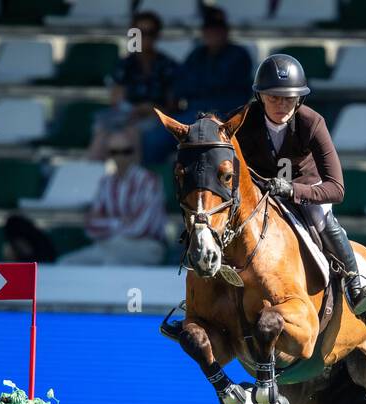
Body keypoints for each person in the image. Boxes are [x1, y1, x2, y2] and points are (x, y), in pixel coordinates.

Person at [236, 53, 366, 321]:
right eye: (273, 97)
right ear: (260, 97)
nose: (281, 105)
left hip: (305, 193)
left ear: (299, 98)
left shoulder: (312, 123)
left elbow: (337, 188)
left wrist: (293, 191)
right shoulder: (244, 122)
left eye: (288, 98)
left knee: (322, 217)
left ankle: (355, 282)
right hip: (258, 193)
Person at [143, 7, 252, 163]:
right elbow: (180, 87)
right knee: (153, 139)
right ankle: (156, 184)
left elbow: (229, 89)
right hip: (193, 115)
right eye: (209, 29)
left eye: (217, 29)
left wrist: (197, 88)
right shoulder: (197, 55)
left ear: (226, 32)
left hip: (224, 118)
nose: (213, 34)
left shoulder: (239, 54)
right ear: (204, 32)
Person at [61, 128, 167, 265]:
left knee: (110, 264)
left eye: (126, 151)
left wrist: (107, 224)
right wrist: (121, 222)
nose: (121, 157)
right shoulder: (106, 183)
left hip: (146, 246)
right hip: (109, 244)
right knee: (67, 263)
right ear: (109, 154)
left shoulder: (149, 181)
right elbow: (91, 226)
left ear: (135, 152)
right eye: (114, 152)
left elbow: (142, 228)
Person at [88, 10, 178, 164]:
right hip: (125, 116)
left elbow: (173, 108)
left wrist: (149, 108)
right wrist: (130, 110)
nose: (145, 37)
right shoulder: (125, 65)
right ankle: (91, 181)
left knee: (131, 134)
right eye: (140, 32)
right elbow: (116, 100)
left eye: (150, 32)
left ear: (157, 35)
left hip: (154, 118)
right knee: (101, 136)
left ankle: (134, 185)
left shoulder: (168, 66)